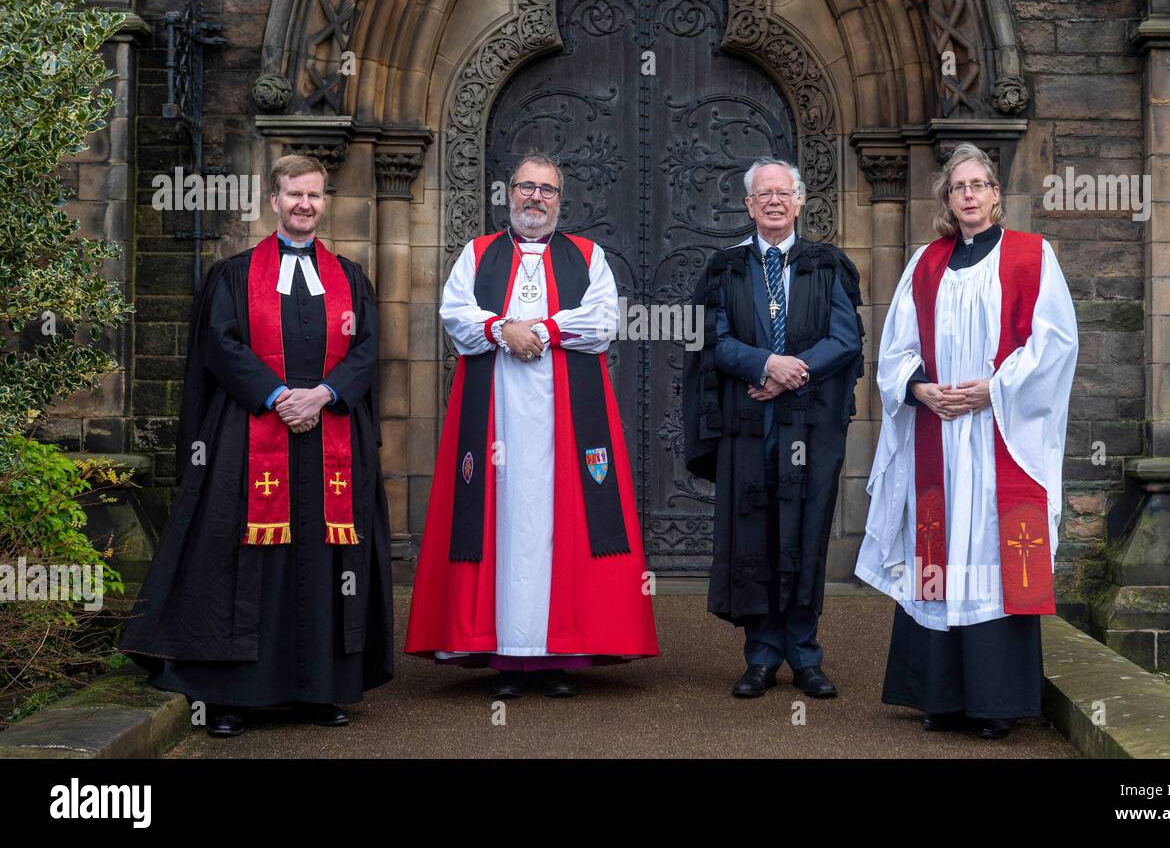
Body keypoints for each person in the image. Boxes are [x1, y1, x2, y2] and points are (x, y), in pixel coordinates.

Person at [120, 154, 394, 737]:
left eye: (315, 195)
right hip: (248, 439)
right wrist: (275, 397)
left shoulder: (350, 277)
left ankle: (321, 689)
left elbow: (369, 351)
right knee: (240, 557)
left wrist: (322, 395)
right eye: (294, 194)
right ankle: (232, 694)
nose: (304, 204)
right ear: (273, 200)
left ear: (325, 201)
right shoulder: (235, 275)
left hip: (331, 439)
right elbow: (220, 347)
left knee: (326, 559)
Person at [405, 153, 659, 698]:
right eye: (526, 188)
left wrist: (539, 329)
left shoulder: (588, 257)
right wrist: (502, 329)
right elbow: (454, 314)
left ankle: (556, 657)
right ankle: (505, 659)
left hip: (566, 418)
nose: (535, 198)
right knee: (498, 519)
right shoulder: (476, 255)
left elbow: (603, 320)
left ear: (559, 201)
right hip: (492, 414)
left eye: (547, 190)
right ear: (509, 194)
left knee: (561, 521)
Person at [855, 142, 1078, 739]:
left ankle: (995, 703)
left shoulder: (1033, 256)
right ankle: (942, 696)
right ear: (948, 200)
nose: (970, 195)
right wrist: (921, 390)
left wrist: (993, 390)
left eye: (980, 184)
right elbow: (896, 348)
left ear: (998, 194)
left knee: (993, 553)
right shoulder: (926, 263)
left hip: (1000, 434)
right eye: (959, 187)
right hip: (940, 434)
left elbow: (1055, 345)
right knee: (939, 554)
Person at [682, 158, 864, 699]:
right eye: (764, 195)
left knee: (805, 531)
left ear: (800, 201)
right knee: (755, 535)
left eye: (783, 193)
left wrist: (790, 373)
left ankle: (806, 656)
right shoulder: (724, 269)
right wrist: (764, 363)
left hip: (808, 422)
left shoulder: (828, 265)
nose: (774, 202)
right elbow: (709, 337)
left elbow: (845, 338)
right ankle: (761, 656)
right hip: (749, 424)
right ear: (749, 205)